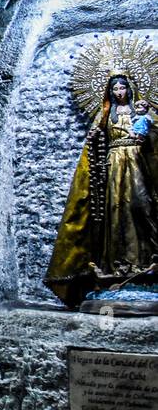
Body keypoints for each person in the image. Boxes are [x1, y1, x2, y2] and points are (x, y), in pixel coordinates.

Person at [47, 73, 158, 305]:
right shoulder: (106, 114)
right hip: (115, 165)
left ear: (130, 90)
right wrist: (94, 136)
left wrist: (148, 128)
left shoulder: (143, 113)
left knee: (142, 206)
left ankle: (147, 263)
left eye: (122, 88)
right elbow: (95, 137)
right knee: (116, 211)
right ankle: (117, 267)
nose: (119, 92)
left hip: (138, 162)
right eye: (115, 89)